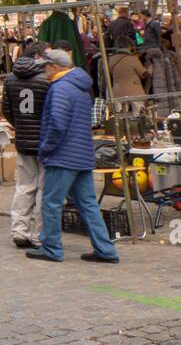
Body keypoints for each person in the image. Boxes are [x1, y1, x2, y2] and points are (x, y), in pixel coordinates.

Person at [27, 50, 120, 265]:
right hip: (82, 153)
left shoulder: (60, 88)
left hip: (63, 155)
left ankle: (51, 248)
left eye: (46, 66)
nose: (44, 70)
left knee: (51, 203)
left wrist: (46, 148)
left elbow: (57, 124)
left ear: (55, 67)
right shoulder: (80, 87)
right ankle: (105, 249)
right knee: (88, 204)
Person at [2, 42, 51, 248]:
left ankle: (20, 230)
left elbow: (7, 109)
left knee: (24, 187)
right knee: (43, 189)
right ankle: (40, 233)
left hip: (23, 139)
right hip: (44, 140)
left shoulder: (11, 78)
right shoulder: (46, 79)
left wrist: (20, 125)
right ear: (38, 56)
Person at [106, 36, 149, 117]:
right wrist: (150, 67)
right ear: (129, 46)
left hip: (117, 91)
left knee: (120, 117)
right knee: (139, 115)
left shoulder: (110, 59)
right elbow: (144, 74)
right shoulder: (132, 59)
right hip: (135, 91)